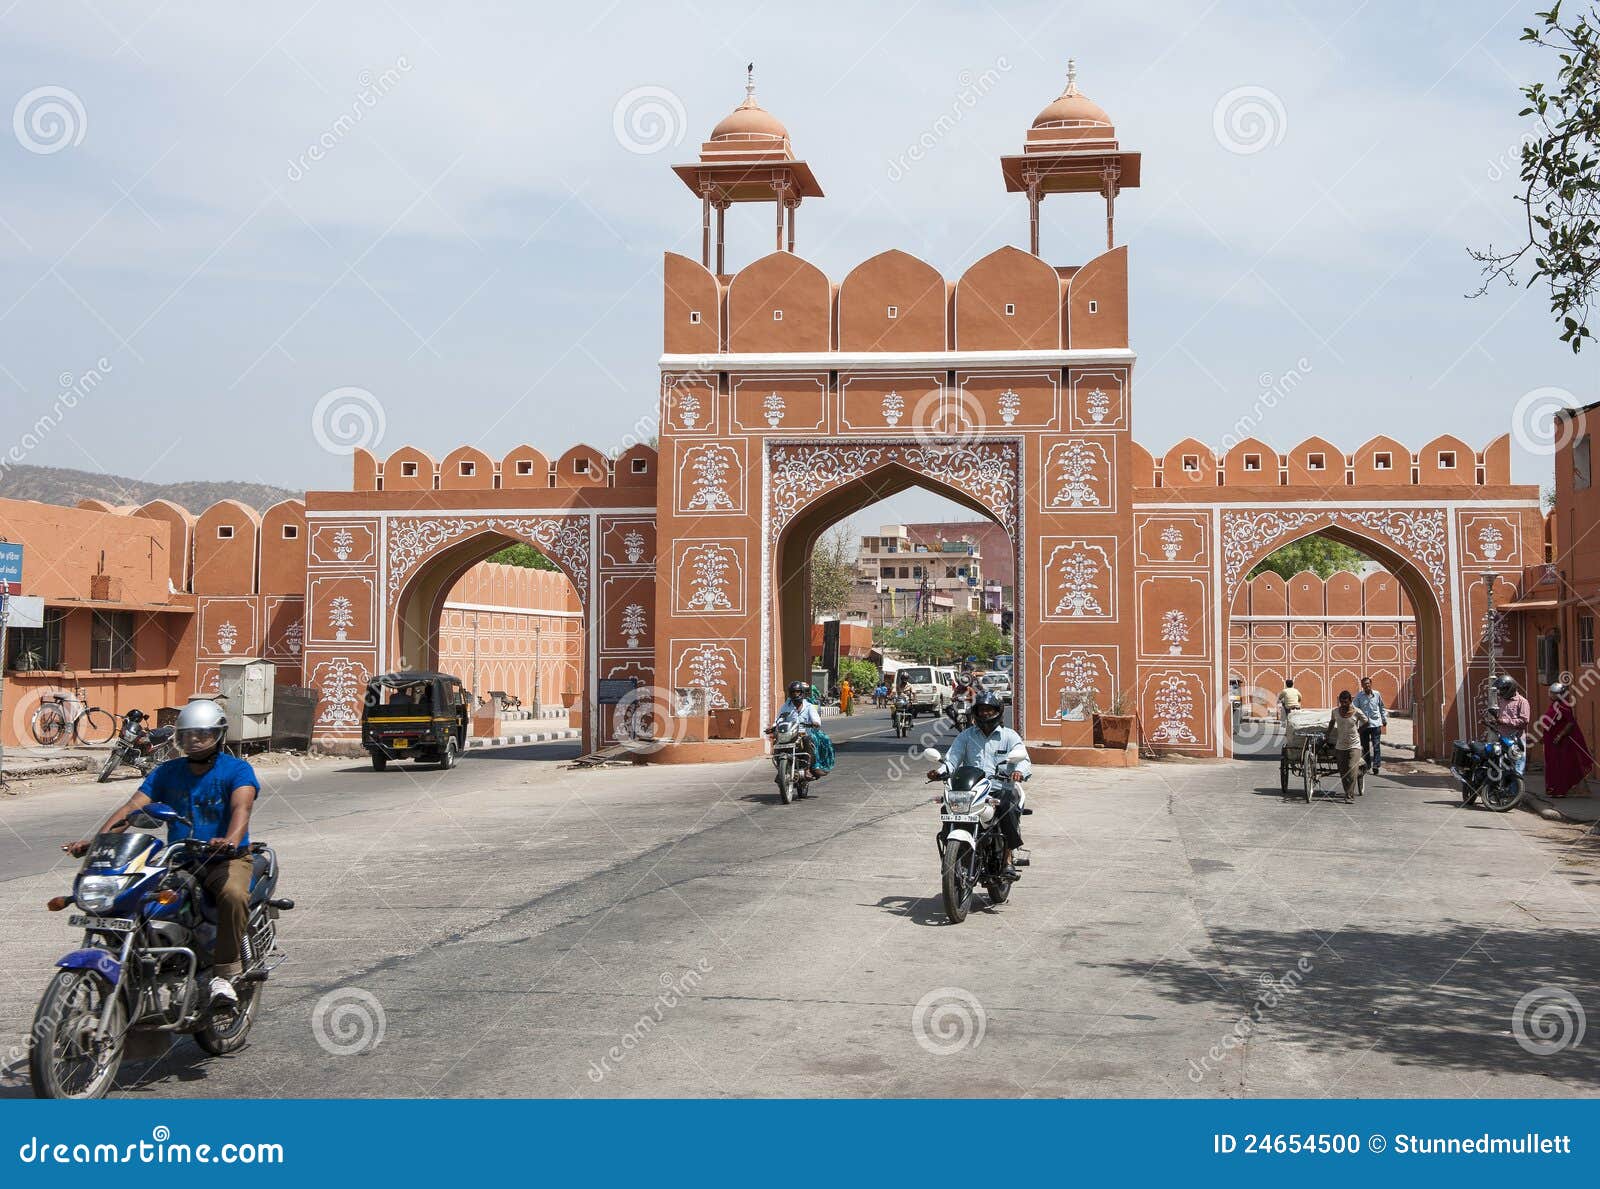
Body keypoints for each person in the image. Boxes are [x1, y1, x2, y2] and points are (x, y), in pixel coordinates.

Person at [63, 699, 259, 1005]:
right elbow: (131, 809)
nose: (193, 740)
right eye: (187, 734)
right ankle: (143, 965)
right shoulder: (167, 772)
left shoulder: (237, 770)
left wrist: (230, 840)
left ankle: (225, 973)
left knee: (233, 894)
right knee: (134, 897)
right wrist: (98, 841)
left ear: (218, 735)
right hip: (179, 860)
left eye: (201, 734)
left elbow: (241, 807)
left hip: (226, 858)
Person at [928, 690, 1032, 877]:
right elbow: (952, 760)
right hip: (971, 790)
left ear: (997, 711)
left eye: (989, 710)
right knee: (947, 808)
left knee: (1007, 807)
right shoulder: (966, 736)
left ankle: (1007, 858)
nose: (985, 713)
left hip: (1000, 788)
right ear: (975, 712)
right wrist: (940, 772)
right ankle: (954, 853)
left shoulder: (1009, 736)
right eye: (981, 709)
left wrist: (1018, 771)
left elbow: (1023, 758)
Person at [1538, 682, 1593, 797]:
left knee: (1560, 766)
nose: (1550, 694)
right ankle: (1552, 789)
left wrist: (1560, 735)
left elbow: (1570, 723)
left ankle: (1560, 790)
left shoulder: (1564, 706)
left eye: (1553, 693)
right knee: (1551, 765)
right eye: (1551, 692)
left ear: (1559, 694)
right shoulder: (1554, 705)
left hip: (1560, 742)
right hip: (1550, 742)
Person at [768, 679, 833, 778]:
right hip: (790, 734)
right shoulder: (785, 706)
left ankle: (808, 769)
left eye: (797, 692)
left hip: (804, 734)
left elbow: (816, 719)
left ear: (802, 693)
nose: (795, 694)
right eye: (793, 692)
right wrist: (773, 727)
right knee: (777, 741)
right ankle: (780, 770)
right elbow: (779, 719)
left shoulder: (809, 706)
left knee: (807, 740)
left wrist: (815, 723)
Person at [1325, 689, 1369, 798]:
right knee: (1343, 771)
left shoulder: (1357, 712)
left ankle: (1349, 795)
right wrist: (1327, 735)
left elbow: (1367, 722)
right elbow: (1332, 722)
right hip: (1340, 746)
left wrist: (1359, 731)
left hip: (1354, 745)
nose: (1343, 704)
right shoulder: (1335, 712)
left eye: (1346, 702)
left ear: (1350, 701)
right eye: (1341, 702)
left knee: (1351, 769)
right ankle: (1347, 791)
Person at [1489, 675, 1532, 777]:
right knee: (1502, 767)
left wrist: (1503, 721)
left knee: (1517, 767)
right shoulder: (1502, 700)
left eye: (1502, 689)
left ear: (1510, 688)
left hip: (1516, 740)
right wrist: (1493, 722)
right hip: (1502, 739)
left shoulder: (1522, 702)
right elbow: (1500, 718)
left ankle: (1516, 790)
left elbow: (1524, 721)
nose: (1500, 692)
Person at [1352, 676, 1389, 775]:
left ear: (1371, 684)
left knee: (1376, 745)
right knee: (1365, 746)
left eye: (1368, 683)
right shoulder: (1359, 696)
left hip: (1376, 724)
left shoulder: (1377, 694)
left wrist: (1384, 718)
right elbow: (1354, 708)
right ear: (1362, 686)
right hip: (1364, 725)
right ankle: (1367, 765)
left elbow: (1381, 707)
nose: (1366, 685)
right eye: (1364, 684)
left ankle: (1376, 765)